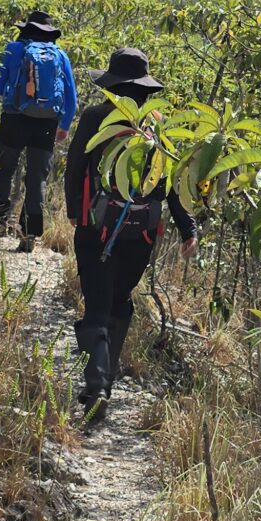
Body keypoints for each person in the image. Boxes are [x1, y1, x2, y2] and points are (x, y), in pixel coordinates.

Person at [64, 47, 197, 413]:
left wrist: (74, 210)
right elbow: (170, 179)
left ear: (112, 84)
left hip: (96, 226)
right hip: (142, 233)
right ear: (145, 89)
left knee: (97, 303)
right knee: (120, 299)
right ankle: (104, 379)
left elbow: (76, 164)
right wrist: (187, 226)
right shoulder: (157, 125)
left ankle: (98, 385)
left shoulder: (96, 117)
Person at [0, 9, 78, 251]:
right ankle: (29, 235)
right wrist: (64, 126)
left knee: (4, 170)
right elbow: (71, 97)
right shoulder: (60, 55)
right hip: (46, 122)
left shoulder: (13, 49)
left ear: (26, 29)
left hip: (13, 117)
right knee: (36, 178)